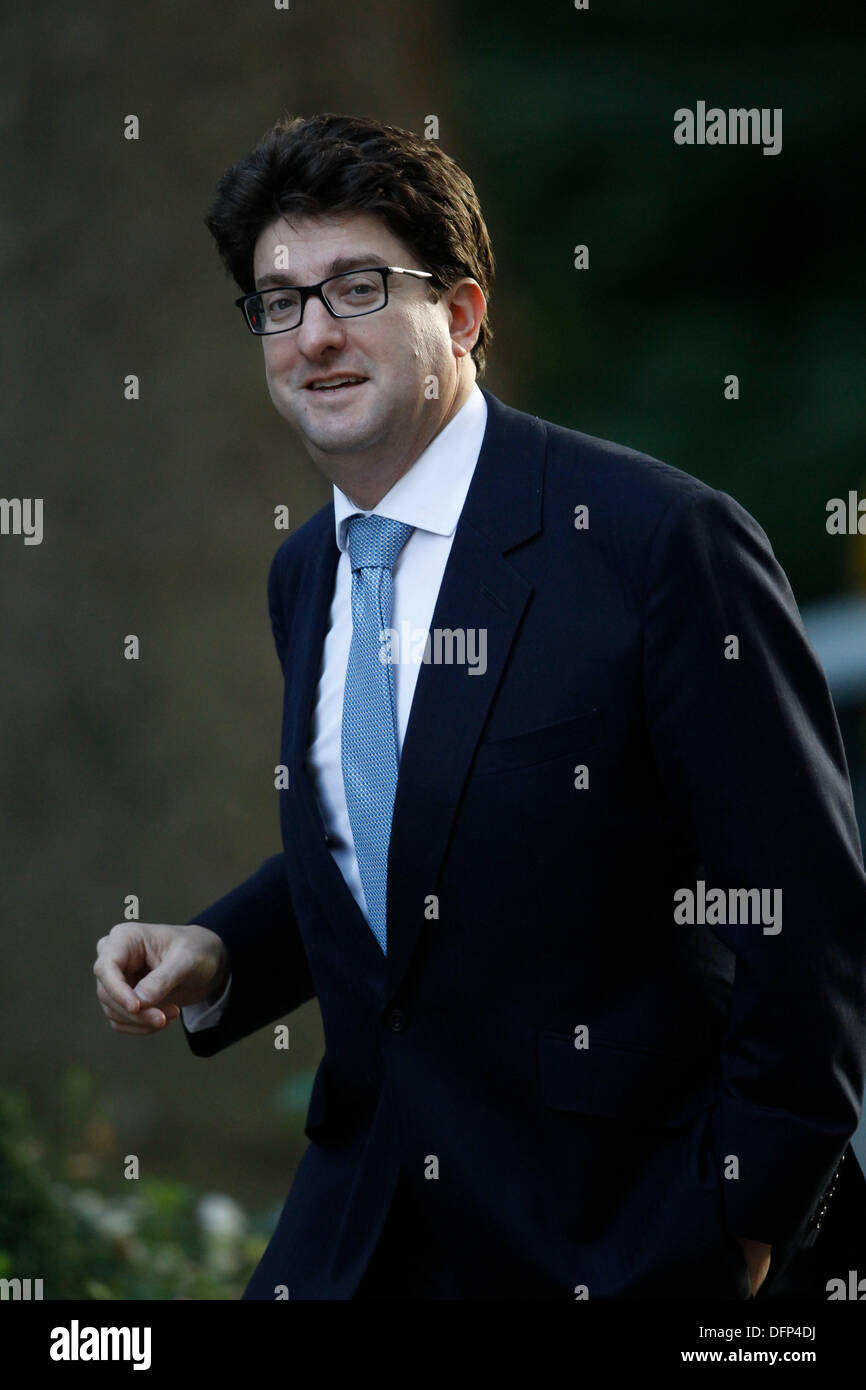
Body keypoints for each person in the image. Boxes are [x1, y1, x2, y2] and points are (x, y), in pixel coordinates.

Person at [93, 112, 866, 1301]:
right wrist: (224, 947)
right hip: (366, 1214)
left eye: (355, 288)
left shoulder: (657, 545)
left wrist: (744, 1222)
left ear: (457, 315)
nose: (313, 336)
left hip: (619, 1226)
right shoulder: (305, 572)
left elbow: (801, 912)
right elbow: (420, 831)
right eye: (278, 301)